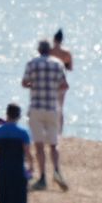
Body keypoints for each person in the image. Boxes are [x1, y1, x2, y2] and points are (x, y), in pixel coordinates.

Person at [22, 39, 69, 190]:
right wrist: (52, 87)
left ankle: (42, 178)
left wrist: (35, 85)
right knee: (54, 144)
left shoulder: (32, 63)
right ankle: (56, 171)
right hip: (52, 107)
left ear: (38, 50)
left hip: (36, 106)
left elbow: (24, 83)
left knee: (39, 145)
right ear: (49, 50)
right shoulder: (58, 64)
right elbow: (64, 85)